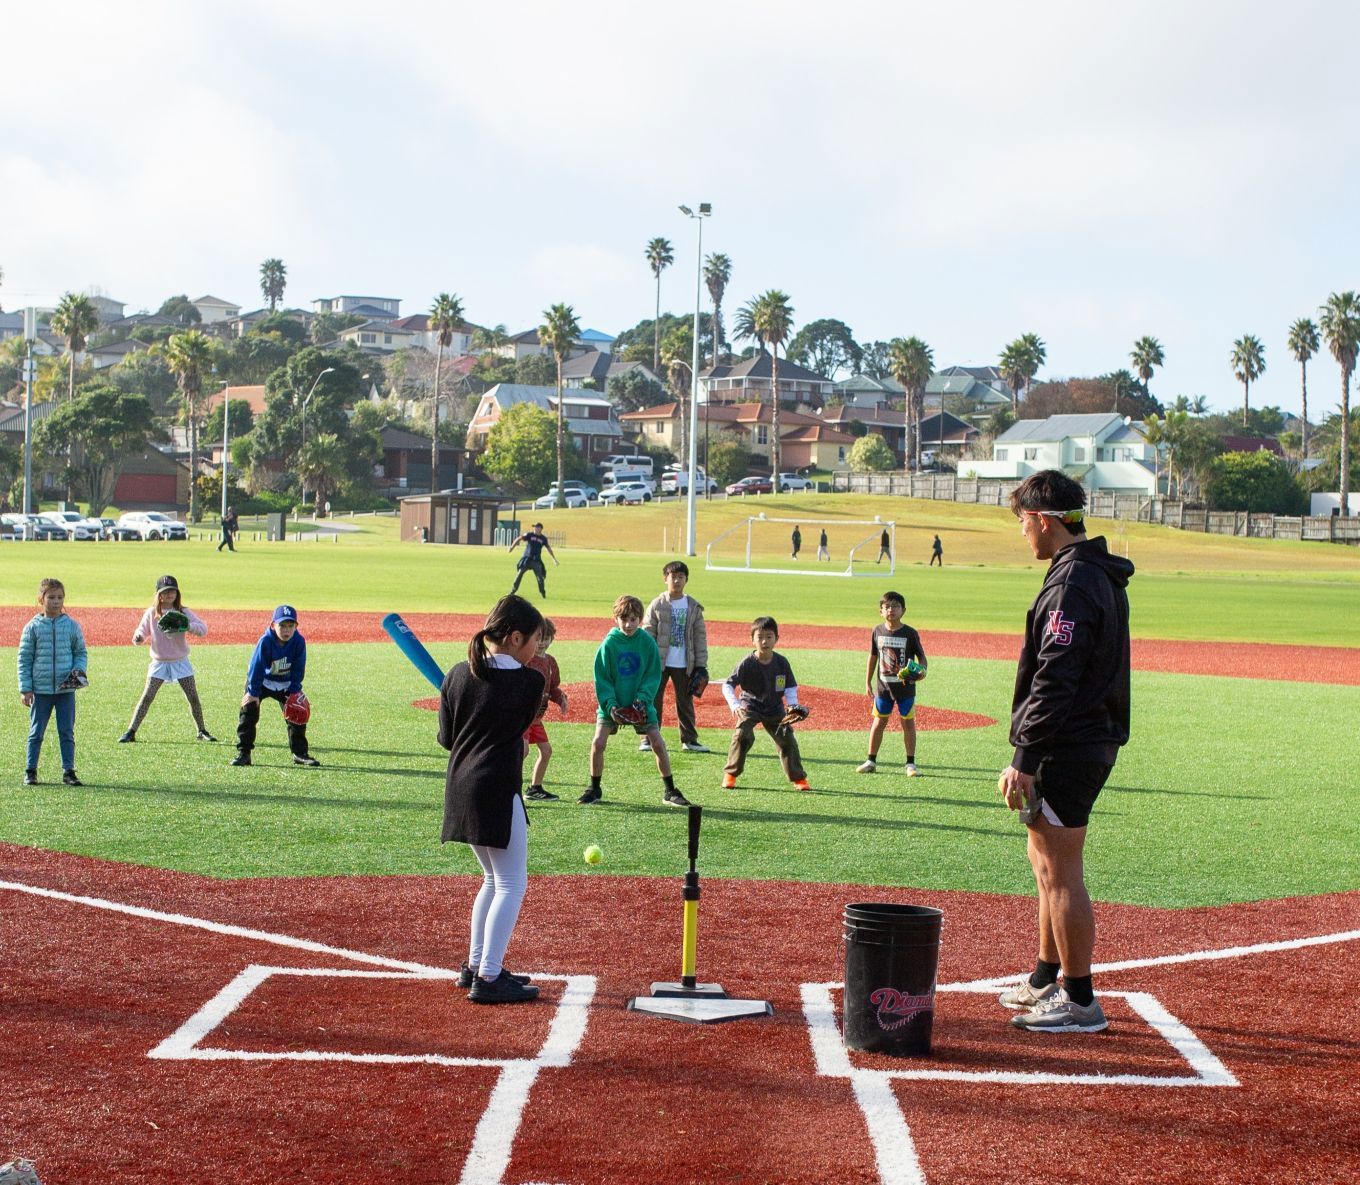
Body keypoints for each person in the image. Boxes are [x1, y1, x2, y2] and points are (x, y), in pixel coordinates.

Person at [998, 470, 1133, 1035]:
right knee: (1044, 863)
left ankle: (1079, 999)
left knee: (1060, 869)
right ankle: (1045, 976)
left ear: (1045, 520)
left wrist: (1025, 757)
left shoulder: (1072, 584)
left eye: (1024, 521)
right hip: (1081, 739)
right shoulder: (1088, 574)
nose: (1023, 532)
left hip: (1068, 745)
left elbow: (1056, 676)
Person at [438, 595, 546, 1004]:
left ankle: (476, 965)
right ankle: (488, 975)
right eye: (535, 640)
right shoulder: (530, 682)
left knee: (493, 880)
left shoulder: (456, 674)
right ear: (515, 636)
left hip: (460, 788)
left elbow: (447, 738)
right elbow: (519, 726)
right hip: (498, 788)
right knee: (512, 883)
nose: (537, 649)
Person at [580, 594, 691, 808]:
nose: (629, 624)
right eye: (624, 619)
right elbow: (602, 679)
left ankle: (670, 790)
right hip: (612, 704)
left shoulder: (647, 643)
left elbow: (652, 675)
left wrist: (642, 700)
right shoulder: (609, 644)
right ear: (615, 619)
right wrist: (610, 705)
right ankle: (594, 788)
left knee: (658, 743)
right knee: (598, 743)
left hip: (640, 705)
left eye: (633, 619)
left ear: (640, 619)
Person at [119, 575, 216, 743]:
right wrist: (138, 637)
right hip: (159, 663)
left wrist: (186, 625)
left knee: (192, 696)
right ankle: (131, 731)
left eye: (173, 591)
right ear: (159, 595)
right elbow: (142, 631)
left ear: (177, 593)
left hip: (180, 661)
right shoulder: (151, 613)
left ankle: (201, 730)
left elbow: (203, 629)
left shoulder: (183, 612)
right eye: (165, 591)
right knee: (147, 696)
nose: (170, 594)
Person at [720, 616, 810, 792]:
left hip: (774, 707)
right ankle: (730, 774)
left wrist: (792, 706)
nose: (764, 641)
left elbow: (790, 687)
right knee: (741, 735)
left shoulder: (781, 662)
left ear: (777, 638)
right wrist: (735, 705)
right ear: (752, 640)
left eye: (769, 636)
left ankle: (799, 779)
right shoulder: (747, 663)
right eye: (760, 636)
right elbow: (728, 684)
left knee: (787, 740)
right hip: (750, 705)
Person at [17, 578, 88, 787]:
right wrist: (26, 688)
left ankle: (69, 771)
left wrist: (78, 671)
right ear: (41, 599)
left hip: (66, 689)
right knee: (36, 732)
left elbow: (80, 652)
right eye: (51, 597)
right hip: (41, 690)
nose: (56, 602)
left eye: (59, 597)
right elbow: (24, 658)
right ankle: (31, 770)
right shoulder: (32, 628)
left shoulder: (72, 626)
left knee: (66, 731)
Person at [232, 605, 320, 768]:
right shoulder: (266, 641)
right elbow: (256, 667)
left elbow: (299, 668)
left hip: (286, 683)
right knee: (248, 710)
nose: (286, 630)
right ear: (273, 625)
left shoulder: (299, 641)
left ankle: (299, 753)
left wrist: (294, 691)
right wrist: (252, 693)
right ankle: (244, 753)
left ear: (296, 627)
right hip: (262, 682)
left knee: (297, 713)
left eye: (290, 626)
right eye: (282, 626)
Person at [642, 560, 711, 755]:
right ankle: (648, 738)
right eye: (673, 576)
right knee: (653, 700)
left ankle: (689, 739)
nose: (677, 580)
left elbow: (699, 637)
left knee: (685, 702)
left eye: (681, 577)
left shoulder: (693, 606)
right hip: (659, 663)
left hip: (684, 663)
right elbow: (647, 634)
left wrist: (700, 665)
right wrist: (647, 662)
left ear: (686, 580)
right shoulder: (657, 604)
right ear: (665, 579)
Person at [856, 591, 927, 776]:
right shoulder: (877, 631)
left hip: (906, 689)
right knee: (879, 722)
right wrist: (867, 682)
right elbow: (873, 657)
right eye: (887, 607)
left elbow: (922, 658)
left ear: (903, 610)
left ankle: (910, 764)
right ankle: (870, 760)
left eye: (895, 606)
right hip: (883, 688)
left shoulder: (910, 633)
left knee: (908, 723)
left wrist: (921, 672)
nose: (891, 610)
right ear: (880, 611)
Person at [524, 618, 569, 801]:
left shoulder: (550, 662)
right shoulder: (525, 660)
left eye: (546, 638)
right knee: (523, 751)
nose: (542, 642)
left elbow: (552, 688)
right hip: (523, 717)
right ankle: (508, 788)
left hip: (537, 718)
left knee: (546, 751)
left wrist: (560, 699)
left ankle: (535, 788)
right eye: (538, 638)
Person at [508, 522, 558, 598]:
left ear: (540, 529)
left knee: (540, 578)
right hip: (527, 559)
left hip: (536, 561)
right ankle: (512, 591)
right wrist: (512, 547)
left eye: (536, 527)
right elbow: (519, 538)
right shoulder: (529, 535)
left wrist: (554, 559)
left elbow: (548, 548)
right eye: (534, 527)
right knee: (519, 574)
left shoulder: (543, 538)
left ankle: (543, 593)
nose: (535, 528)